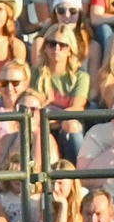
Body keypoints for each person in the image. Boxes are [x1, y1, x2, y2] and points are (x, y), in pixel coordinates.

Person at [31, 21, 90, 159]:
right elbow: (33, 106)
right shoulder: (35, 74)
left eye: (62, 45)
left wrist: (52, 118)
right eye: (51, 44)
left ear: (70, 50)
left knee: (71, 124)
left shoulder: (81, 76)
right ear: (45, 47)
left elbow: (77, 108)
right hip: (42, 126)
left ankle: (79, 173)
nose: (56, 48)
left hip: (65, 127)